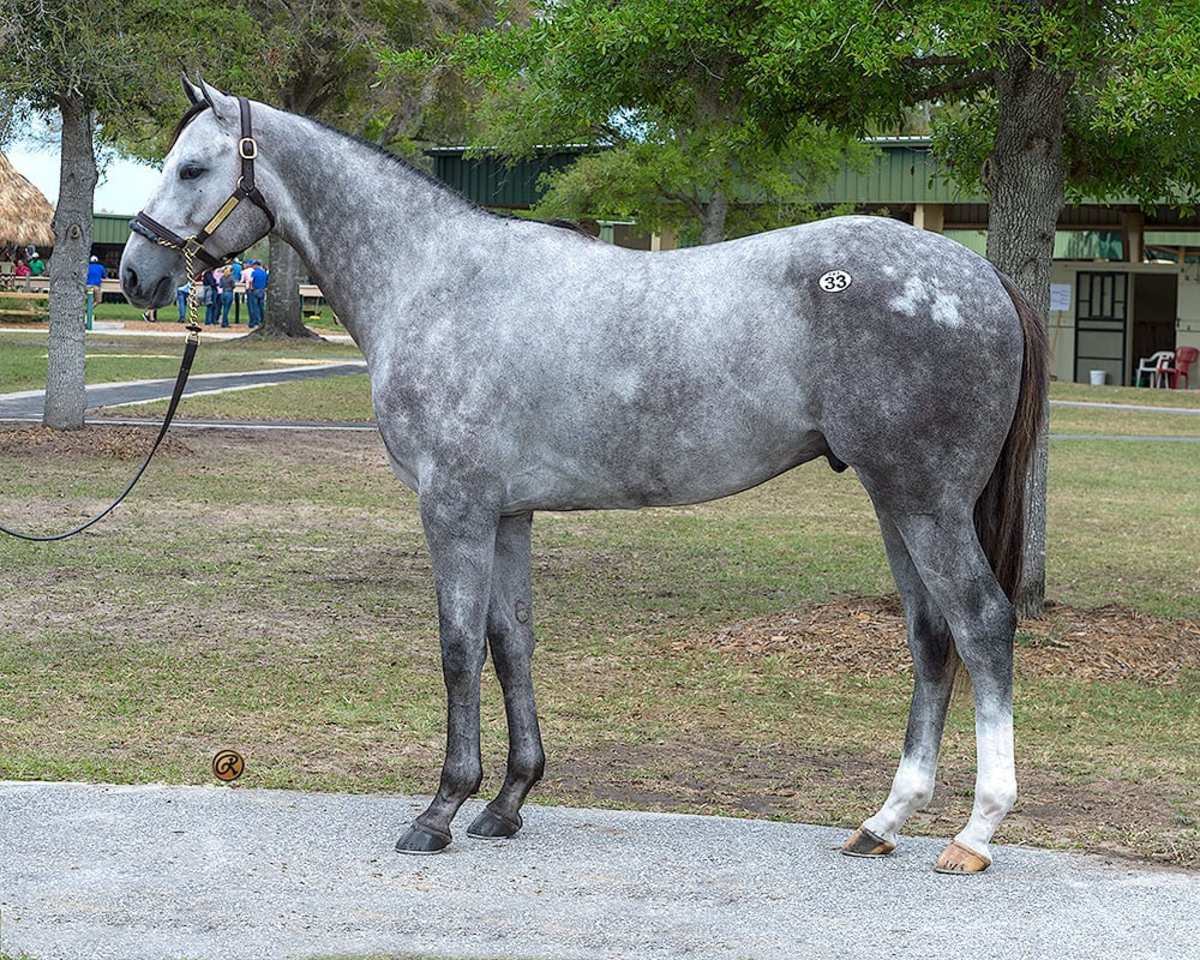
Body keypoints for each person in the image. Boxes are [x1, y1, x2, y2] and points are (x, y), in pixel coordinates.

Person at [246, 258, 268, 328]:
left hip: (255, 290)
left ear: (256, 265)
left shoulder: (254, 272)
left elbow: (250, 281)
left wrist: (250, 288)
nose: (253, 267)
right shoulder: (264, 273)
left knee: (255, 307)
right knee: (261, 306)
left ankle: (256, 322)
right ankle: (262, 320)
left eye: (253, 265)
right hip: (262, 290)